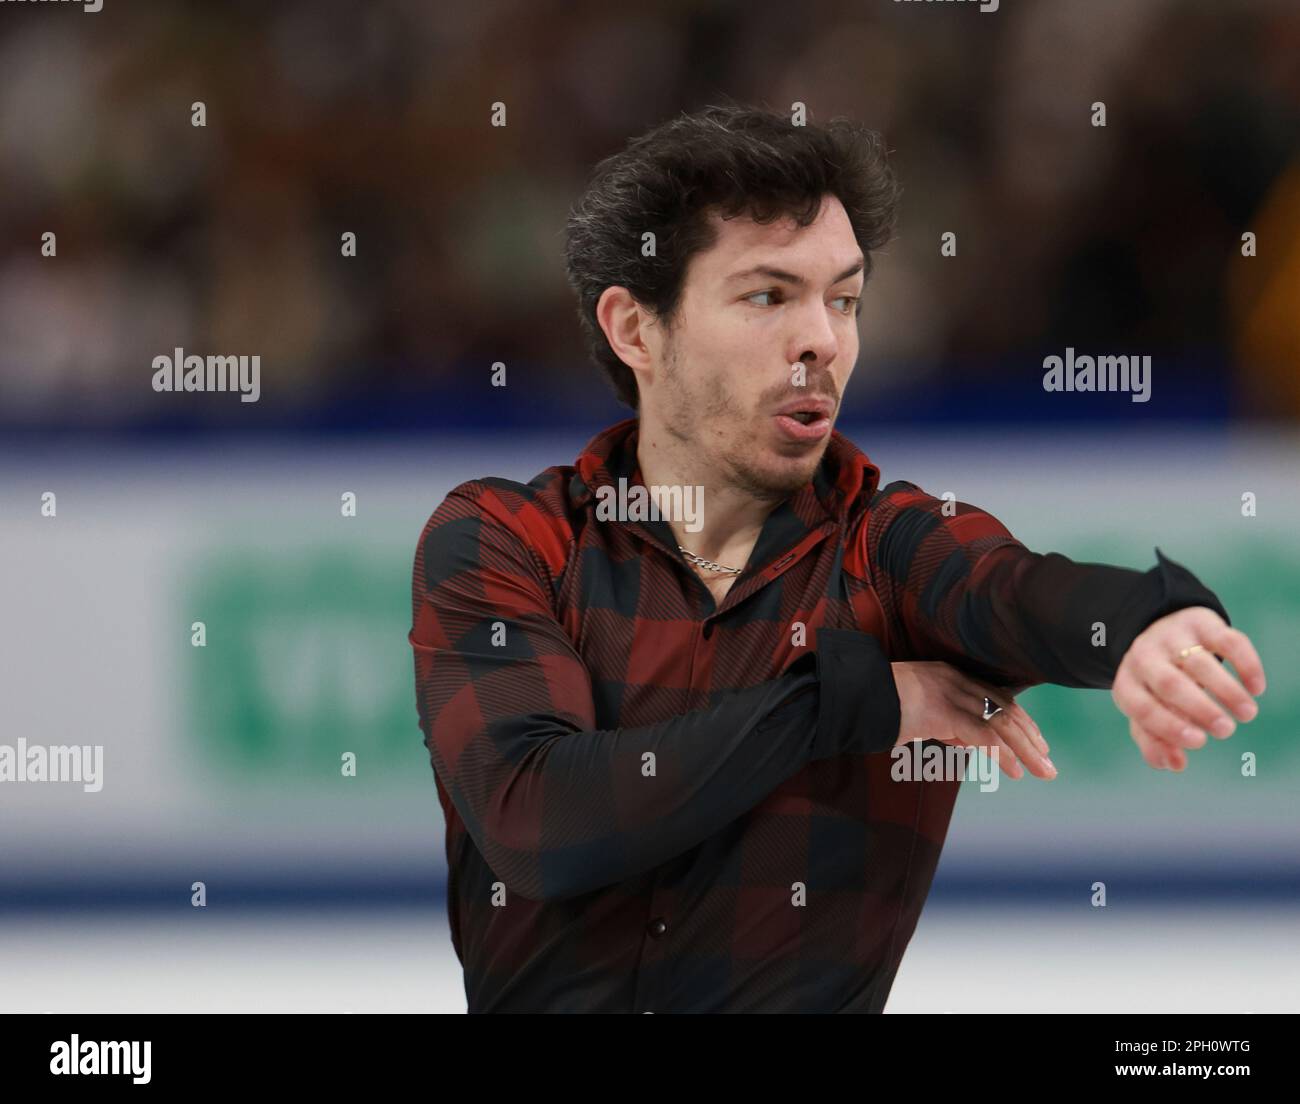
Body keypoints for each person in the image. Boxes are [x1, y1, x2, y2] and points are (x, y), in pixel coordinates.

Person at [408, 105, 1266, 1013]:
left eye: (844, 299)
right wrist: (858, 701)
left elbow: (1019, 591)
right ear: (635, 329)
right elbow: (537, 819)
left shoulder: (890, 547)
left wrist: (1144, 622)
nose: (823, 339)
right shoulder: (507, 537)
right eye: (768, 295)